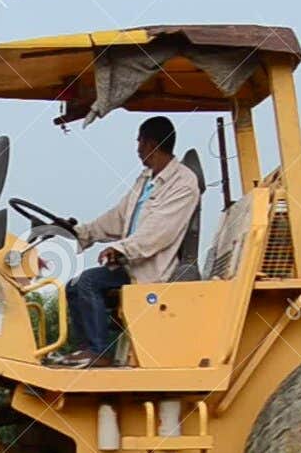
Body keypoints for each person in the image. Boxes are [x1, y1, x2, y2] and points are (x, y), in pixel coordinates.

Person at [52, 116, 200, 368]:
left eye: (139, 141)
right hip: (129, 264)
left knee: (88, 281)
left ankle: (98, 351)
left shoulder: (183, 183)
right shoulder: (146, 180)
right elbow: (119, 217)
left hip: (150, 270)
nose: (137, 148)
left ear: (151, 143)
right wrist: (82, 232)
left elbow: (159, 232)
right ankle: (85, 349)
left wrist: (121, 249)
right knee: (74, 285)